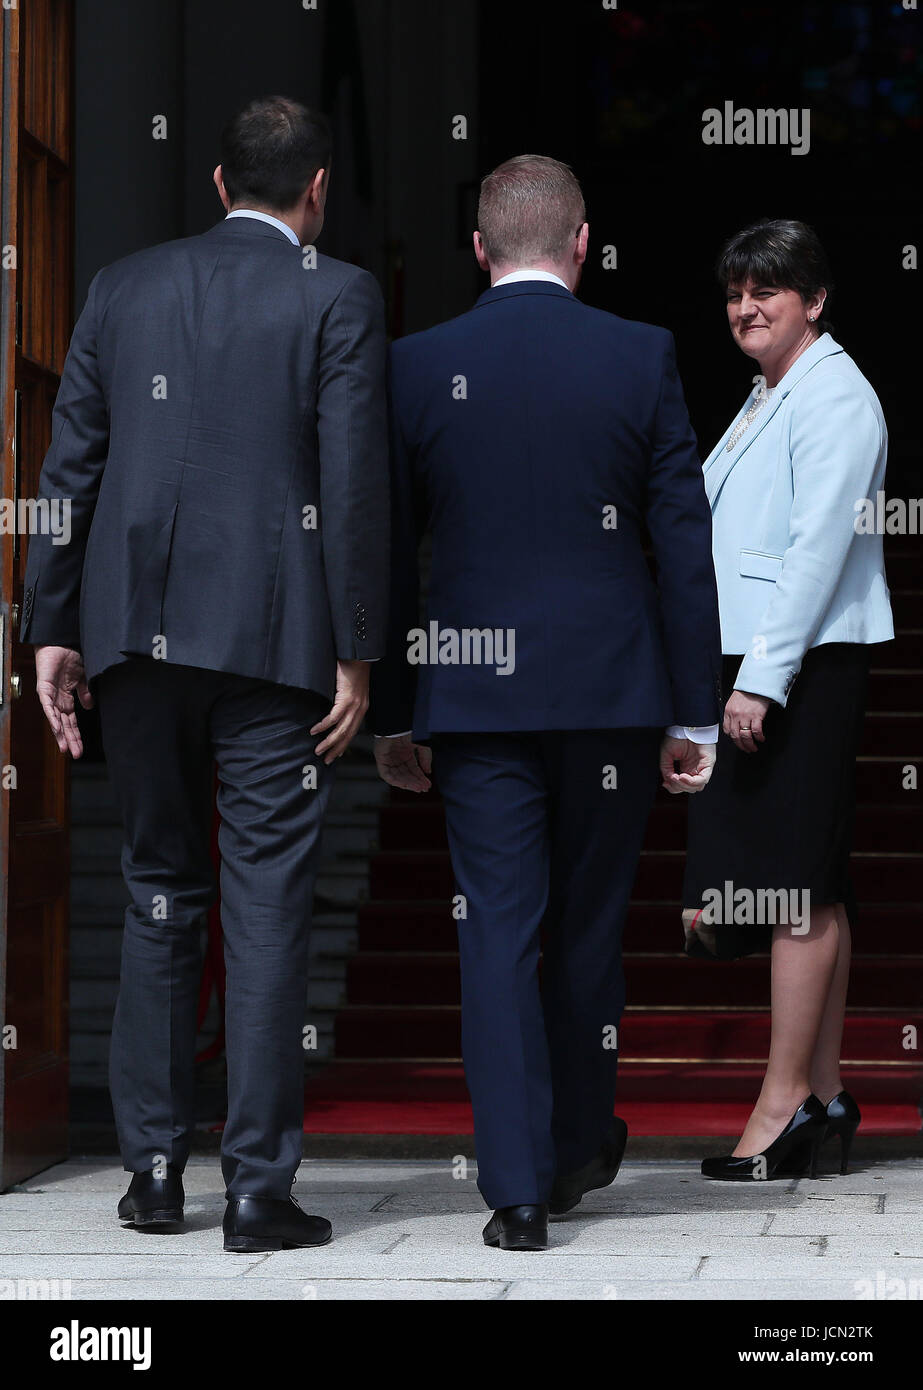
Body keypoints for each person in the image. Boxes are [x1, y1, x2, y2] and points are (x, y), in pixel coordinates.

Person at [20, 96, 389, 1251]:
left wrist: (49, 624)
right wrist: (358, 648)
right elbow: (353, 473)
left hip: (134, 638)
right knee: (266, 903)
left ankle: (151, 1174)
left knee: (157, 889)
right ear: (316, 190)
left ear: (220, 184)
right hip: (274, 644)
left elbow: (68, 460)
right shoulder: (337, 292)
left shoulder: (122, 286)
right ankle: (256, 1191)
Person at [370, 155, 722, 1249]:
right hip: (611, 691)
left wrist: (392, 705)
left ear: (479, 249)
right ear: (580, 244)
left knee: (495, 934)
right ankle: (574, 1146)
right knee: (586, 932)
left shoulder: (419, 363)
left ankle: (516, 1189)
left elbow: (386, 552)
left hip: (473, 698)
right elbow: (679, 536)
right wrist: (694, 708)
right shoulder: (639, 353)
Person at [683, 219, 894, 1181]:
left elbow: (813, 553)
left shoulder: (834, 394)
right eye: (734, 292)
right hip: (769, 656)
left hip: (798, 662)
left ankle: (780, 1105)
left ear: (814, 299)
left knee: (790, 888)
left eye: (765, 290)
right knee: (810, 882)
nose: (744, 307)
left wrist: (758, 682)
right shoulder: (769, 392)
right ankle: (826, 1095)